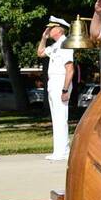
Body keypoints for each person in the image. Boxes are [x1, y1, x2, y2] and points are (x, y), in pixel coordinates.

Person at [37, 16, 75, 162]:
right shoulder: (55, 45)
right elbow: (40, 53)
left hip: (61, 81)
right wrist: (43, 38)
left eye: (51, 28)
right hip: (53, 81)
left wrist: (65, 90)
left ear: (59, 29)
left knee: (61, 117)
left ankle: (64, 151)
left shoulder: (65, 43)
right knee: (56, 118)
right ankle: (58, 150)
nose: (49, 30)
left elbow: (70, 69)